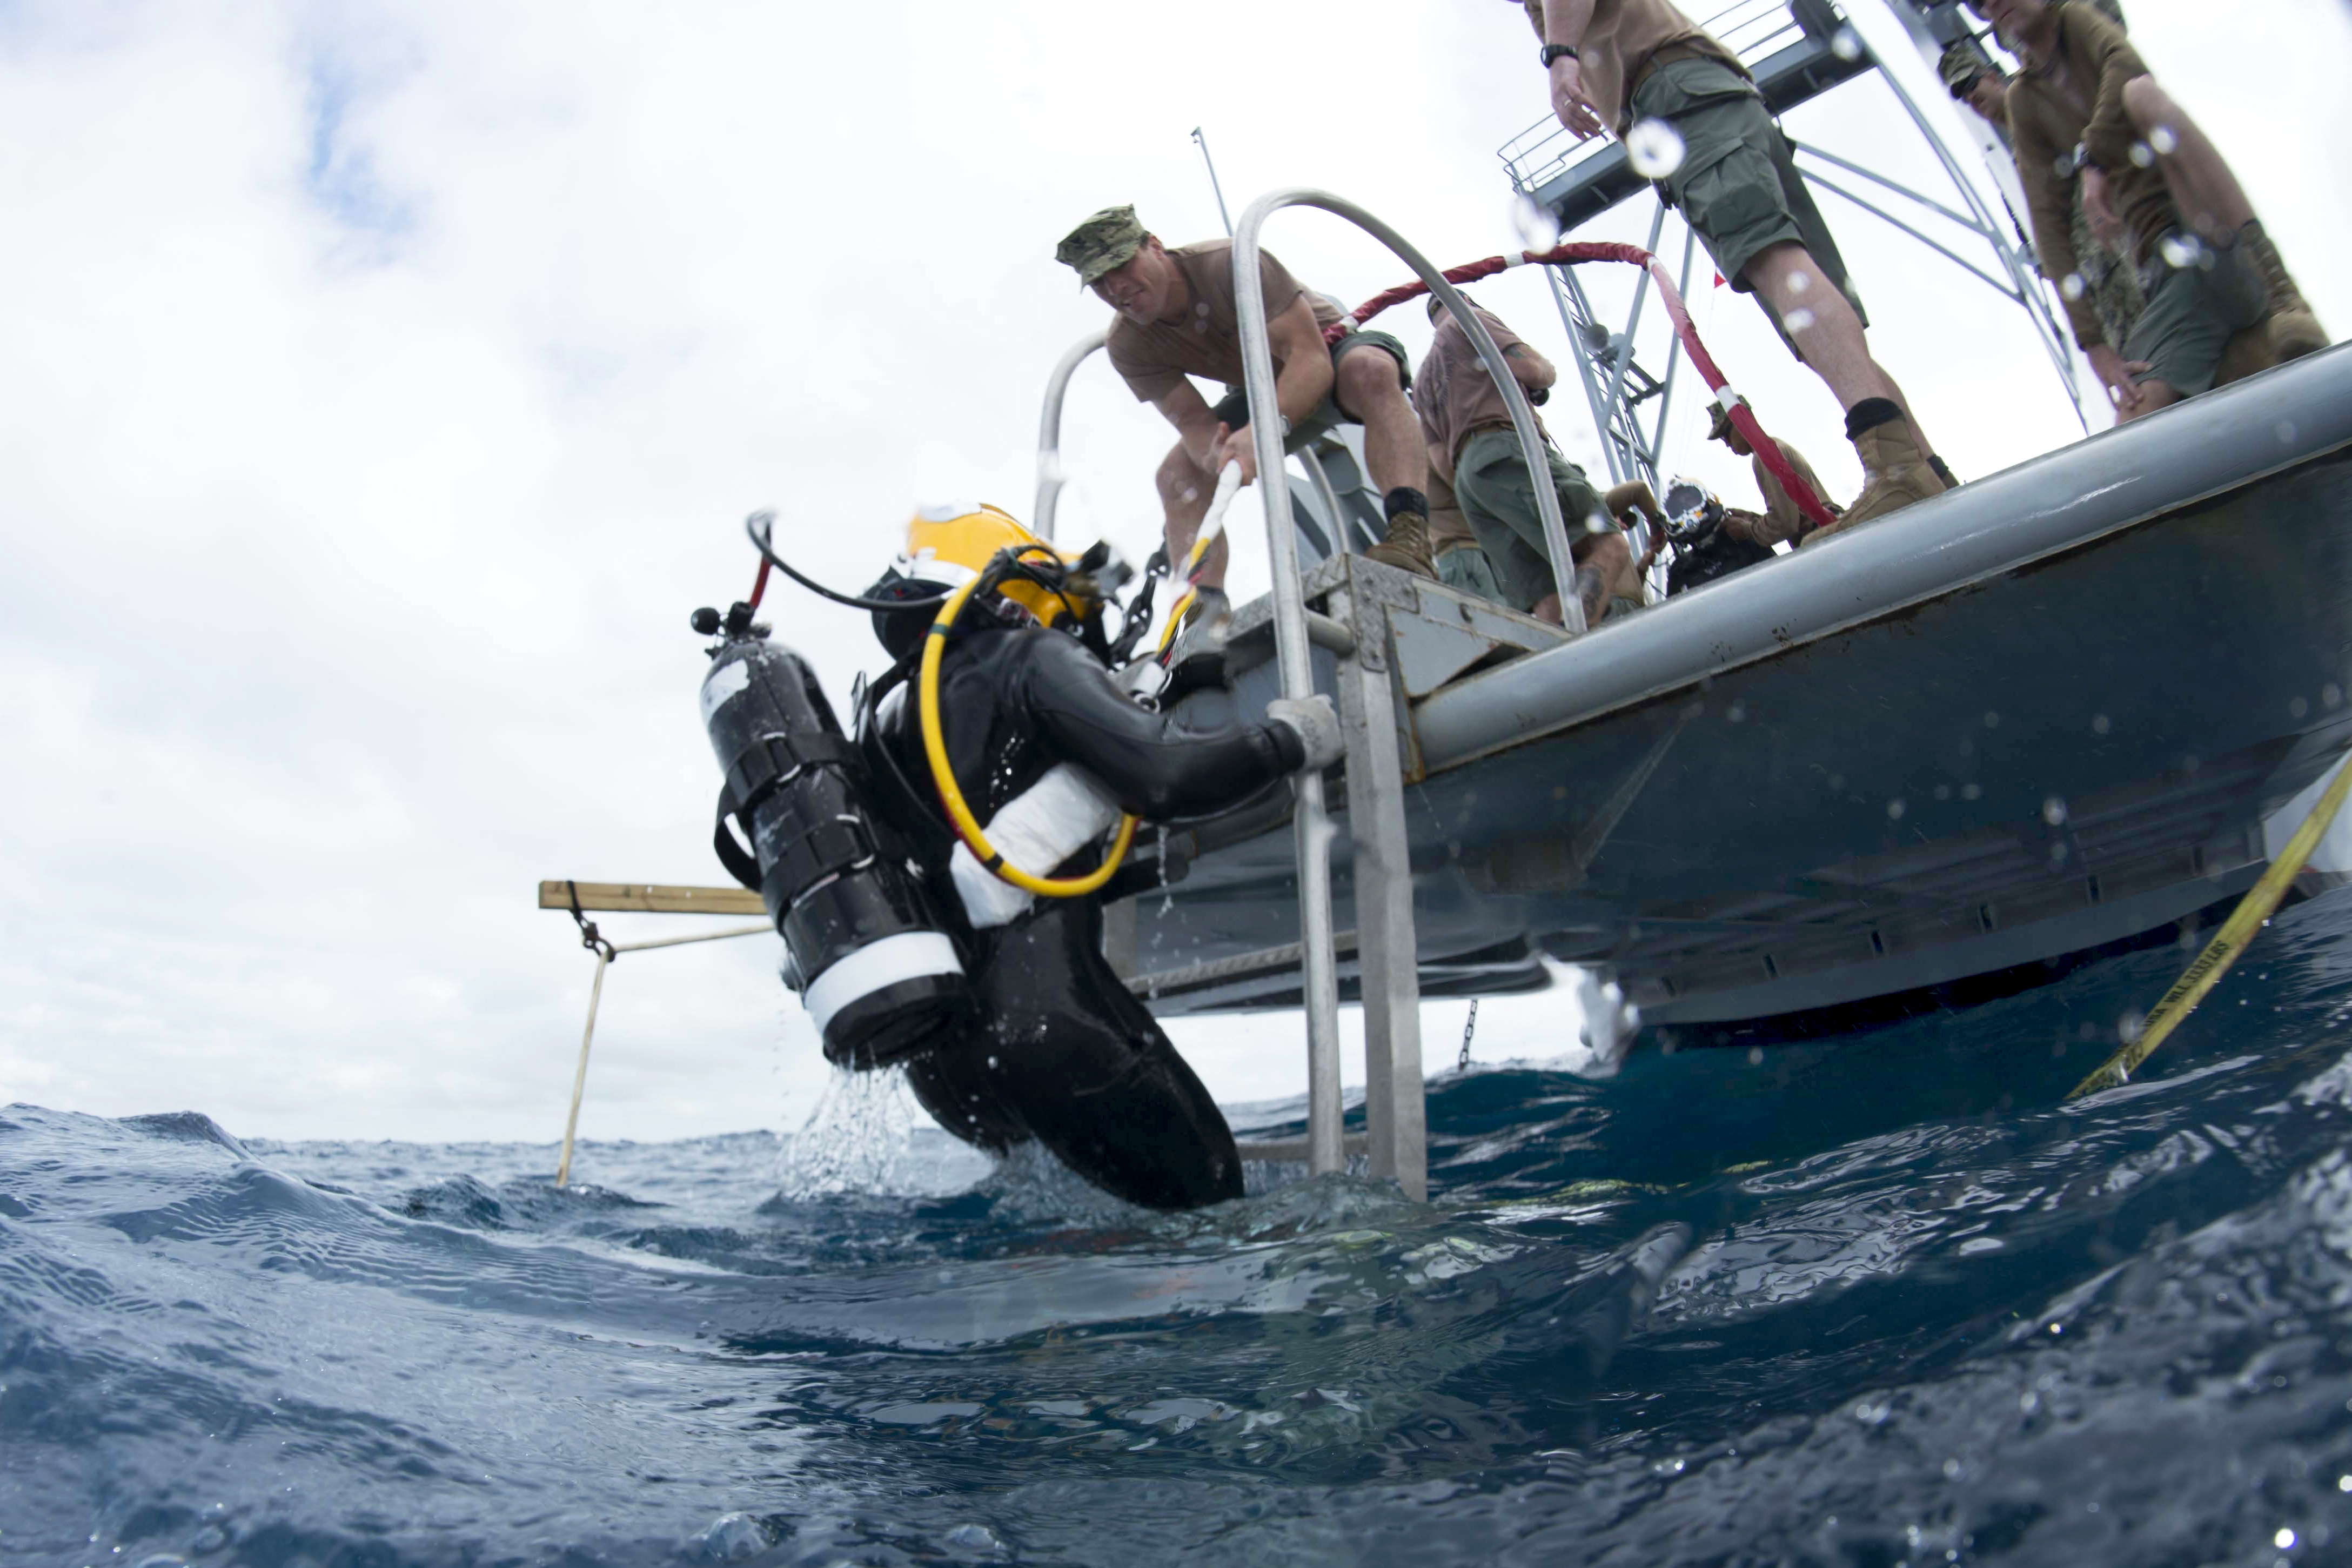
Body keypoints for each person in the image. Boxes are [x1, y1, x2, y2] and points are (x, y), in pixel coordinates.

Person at [854, 506, 1343, 1211]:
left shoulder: (889, 714)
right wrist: (1287, 740)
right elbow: (1165, 775)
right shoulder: (1030, 659)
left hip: (942, 1069)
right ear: (1020, 582)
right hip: (1054, 1034)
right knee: (1214, 1219)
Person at [1526, 0, 1952, 539]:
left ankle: (1895, 467)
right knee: (1807, 304)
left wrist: (1560, 57)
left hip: (1678, 102)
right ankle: (1925, 470)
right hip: (1707, 95)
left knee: (1774, 262)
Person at [1057, 205, 1437, 599]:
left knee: (1371, 369)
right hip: (1257, 392)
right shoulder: (1128, 344)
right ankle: (1201, 613)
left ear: (1154, 246)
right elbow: (1190, 420)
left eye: (1122, 266)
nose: (1116, 288)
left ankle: (1409, 537)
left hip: (1329, 355)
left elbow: (1309, 358)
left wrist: (1260, 432)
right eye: (1100, 281)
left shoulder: (1231, 263)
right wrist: (1213, 455)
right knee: (1177, 476)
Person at [1973, 0, 2326, 418]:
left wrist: (2092, 159)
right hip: (2163, 273)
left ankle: (2282, 293)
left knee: (2141, 95)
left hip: (2204, 224)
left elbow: (2126, 63)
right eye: (1977, 2)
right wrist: (2093, 346)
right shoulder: (2024, 101)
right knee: (2135, 424)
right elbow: (2046, 221)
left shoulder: (2075, 20)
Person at [1415, 293, 1632, 627]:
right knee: (1608, 544)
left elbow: (1441, 462)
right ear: (1467, 300)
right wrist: (1545, 374)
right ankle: (1581, 641)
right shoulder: (1468, 319)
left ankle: (1565, 661)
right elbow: (1532, 369)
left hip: (1470, 483)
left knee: (1545, 595)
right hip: (1504, 448)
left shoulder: (1423, 381)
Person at [1939, 40, 2146, 357]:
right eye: (1963, 96)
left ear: (1993, 77)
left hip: (2130, 255)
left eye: (1971, 83)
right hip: (2101, 291)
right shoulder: (2015, 162)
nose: (1972, 98)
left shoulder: (2046, 102)